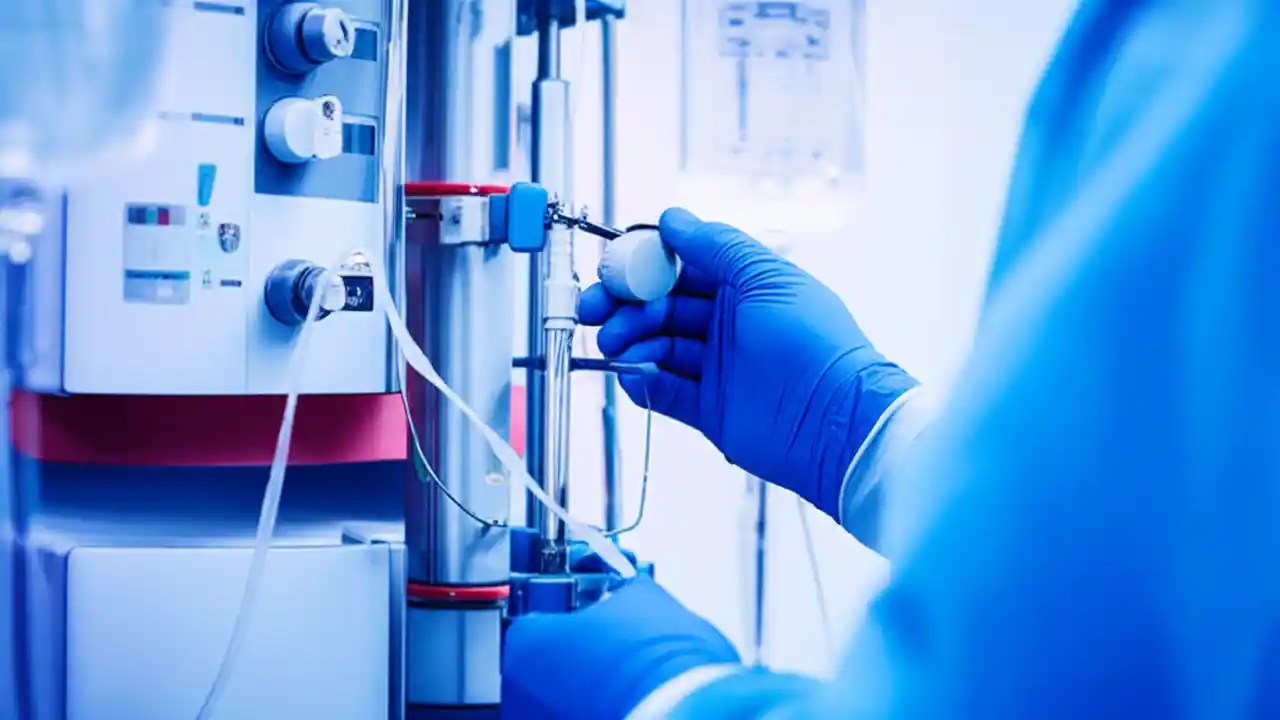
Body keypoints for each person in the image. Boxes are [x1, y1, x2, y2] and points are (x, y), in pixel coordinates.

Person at [504, 1, 1280, 717]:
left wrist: (675, 695)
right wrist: (866, 439)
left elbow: (1022, 683)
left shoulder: (1222, 48)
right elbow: (1174, 536)